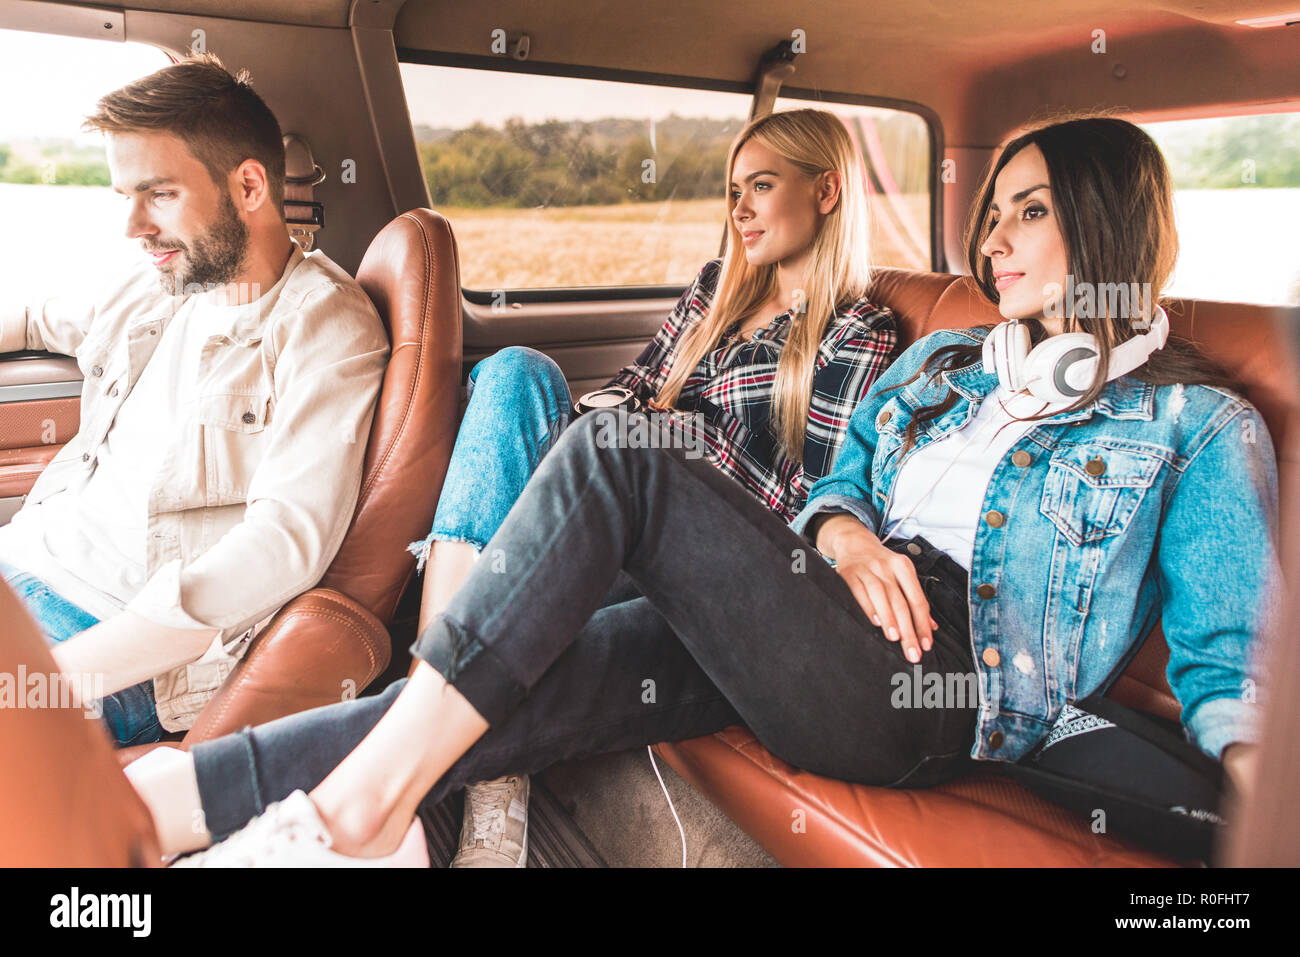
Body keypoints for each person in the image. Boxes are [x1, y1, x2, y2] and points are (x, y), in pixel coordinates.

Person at [130, 114, 1273, 867]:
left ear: (1113, 217)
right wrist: (839, 532)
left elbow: (1232, 660)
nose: (994, 237)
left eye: (1030, 209)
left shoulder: (1193, 423)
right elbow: (844, 477)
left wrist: (1263, 791)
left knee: (623, 453)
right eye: (995, 210)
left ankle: (357, 811)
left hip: (942, 683)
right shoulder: (946, 366)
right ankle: (175, 805)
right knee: (543, 678)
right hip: (823, 614)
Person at [396, 107, 897, 865]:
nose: (738, 210)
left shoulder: (857, 332)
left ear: (826, 191)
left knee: (565, 518)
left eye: (760, 186)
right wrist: (617, 432)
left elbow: (811, 501)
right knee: (514, 371)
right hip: (611, 488)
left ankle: (462, 761)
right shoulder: (712, 292)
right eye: (733, 190)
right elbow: (630, 390)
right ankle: (429, 699)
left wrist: (667, 443)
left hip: (688, 547)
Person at [0, 53, 389, 746]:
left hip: (105, 639)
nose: (133, 226)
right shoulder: (158, 291)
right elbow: (34, 317)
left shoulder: (322, 324)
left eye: (159, 194)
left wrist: (57, 678)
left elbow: (283, 542)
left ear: (247, 185)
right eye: (126, 197)